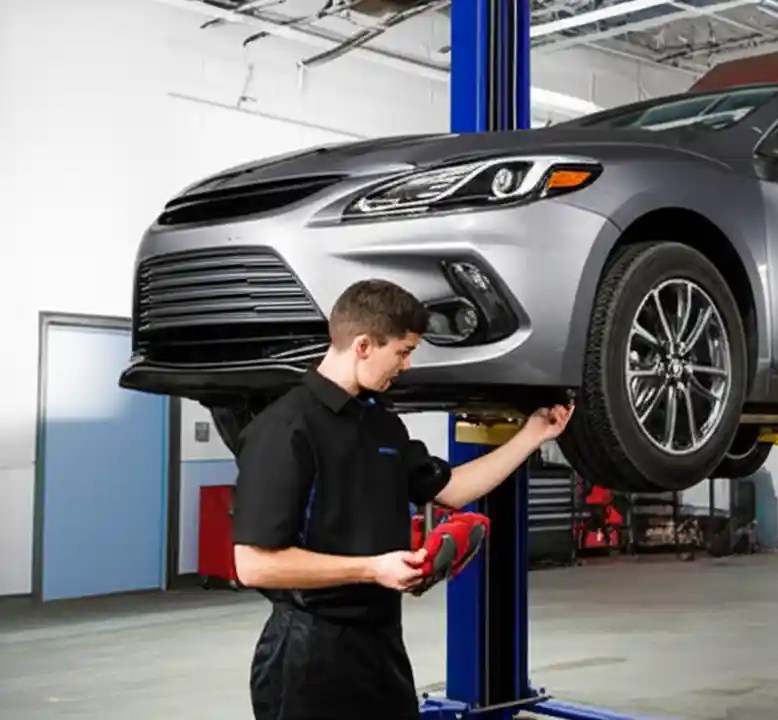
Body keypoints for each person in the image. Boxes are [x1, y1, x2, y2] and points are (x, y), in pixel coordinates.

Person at [230, 278, 574, 720]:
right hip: (307, 655)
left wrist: (532, 437)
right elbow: (255, 564)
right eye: (404, 352)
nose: (407, 366)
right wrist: (373, 568)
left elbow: (452, 488)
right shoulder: (285, 429)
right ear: (363, 345)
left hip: (380, 645)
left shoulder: (382, 425)